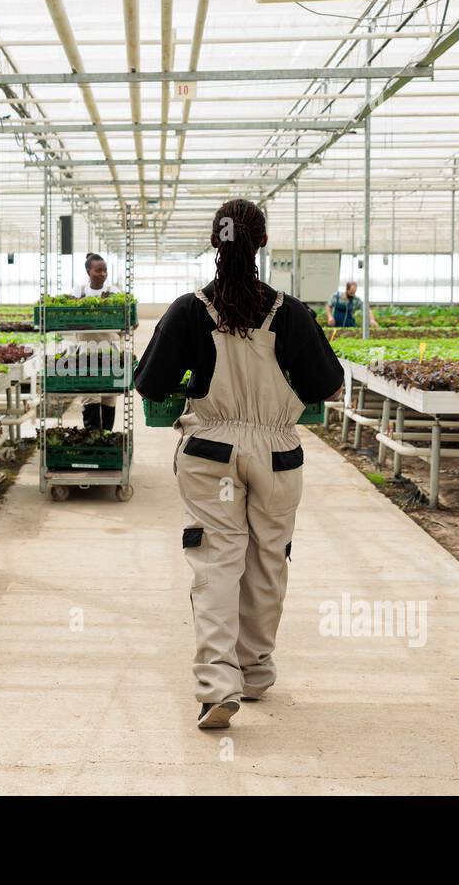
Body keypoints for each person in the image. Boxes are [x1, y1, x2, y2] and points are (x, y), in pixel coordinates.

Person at [134, 198, 343, 729]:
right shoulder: (289, 312)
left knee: (217, 560)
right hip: (277, 454)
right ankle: (254, 669)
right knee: (270, 559)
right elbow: (325, 386)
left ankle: (216, 685)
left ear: (214, 243)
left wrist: (193, 381)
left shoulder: (190, 309)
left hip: (211, 453)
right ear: (262, 244)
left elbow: (151, 385)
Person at [72, 252, 120, 431]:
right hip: (86, 350)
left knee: (109, 394)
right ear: (88, 271)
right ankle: (93, 437)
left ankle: (107, 436)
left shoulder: (114, 291)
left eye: (105, 271)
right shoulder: (80, 291)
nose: (103, 274)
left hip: (110, 348)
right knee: (90, 394)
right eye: (98, 270)